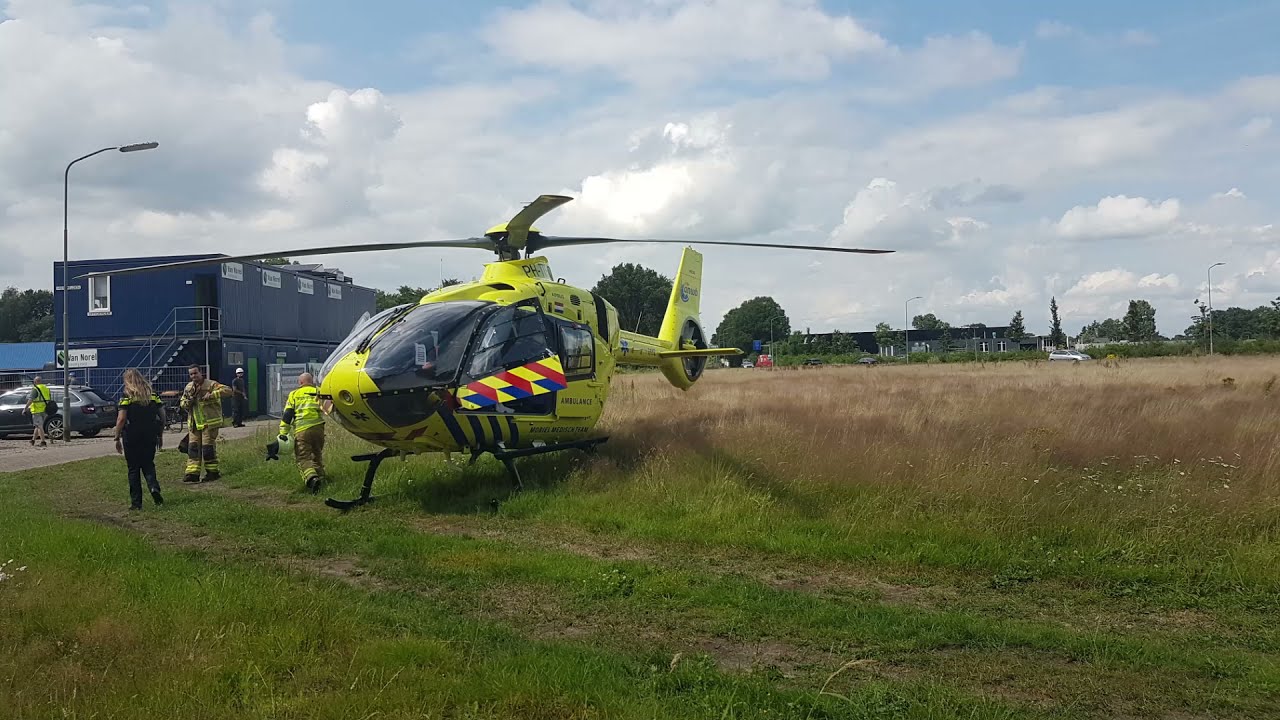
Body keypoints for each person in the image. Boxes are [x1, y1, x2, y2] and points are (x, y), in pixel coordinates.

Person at [114, 368, 165, 510]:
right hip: (150, 434)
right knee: (148, 464)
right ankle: (154, 488)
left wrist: (117, 437)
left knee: (133, 469)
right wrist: (160, 434)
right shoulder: (152, 395)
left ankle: (136, 503)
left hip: (132, 435)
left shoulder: (127, 395)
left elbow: (121, 418)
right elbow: (162, 416)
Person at [179, 364, 234, 483]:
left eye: (195, 373)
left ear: (201, 372)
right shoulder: (189, 388)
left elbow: (228, 391)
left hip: (209, 424)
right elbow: (182, 402)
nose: (193, 376)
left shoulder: (211, 384)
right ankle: (192, 473)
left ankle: (213, 472)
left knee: (207, 448)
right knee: (193, 448)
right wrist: (188, 402)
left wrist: (212, 395)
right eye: (191, 374)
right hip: (194, 424)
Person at [279, 372, 331, 493]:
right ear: (311, 381)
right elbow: (329, 409)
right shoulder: (318, 392)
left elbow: (288, 415)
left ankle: (312, 479)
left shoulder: (294, 394)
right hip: (318, 429)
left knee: (303, 457)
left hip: (302, 430)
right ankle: (322, 481)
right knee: (317, 455)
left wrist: (283, 432)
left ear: (300, 383)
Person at [24, 375, 50, 446]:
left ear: (35, 382)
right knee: (37, 426)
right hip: (45, 410)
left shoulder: (35, 389)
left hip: (37, 410)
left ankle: (43, 442)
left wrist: (25, 408)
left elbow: (30, 400)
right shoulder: (46, 388)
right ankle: (33, 440)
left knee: (39, 426)